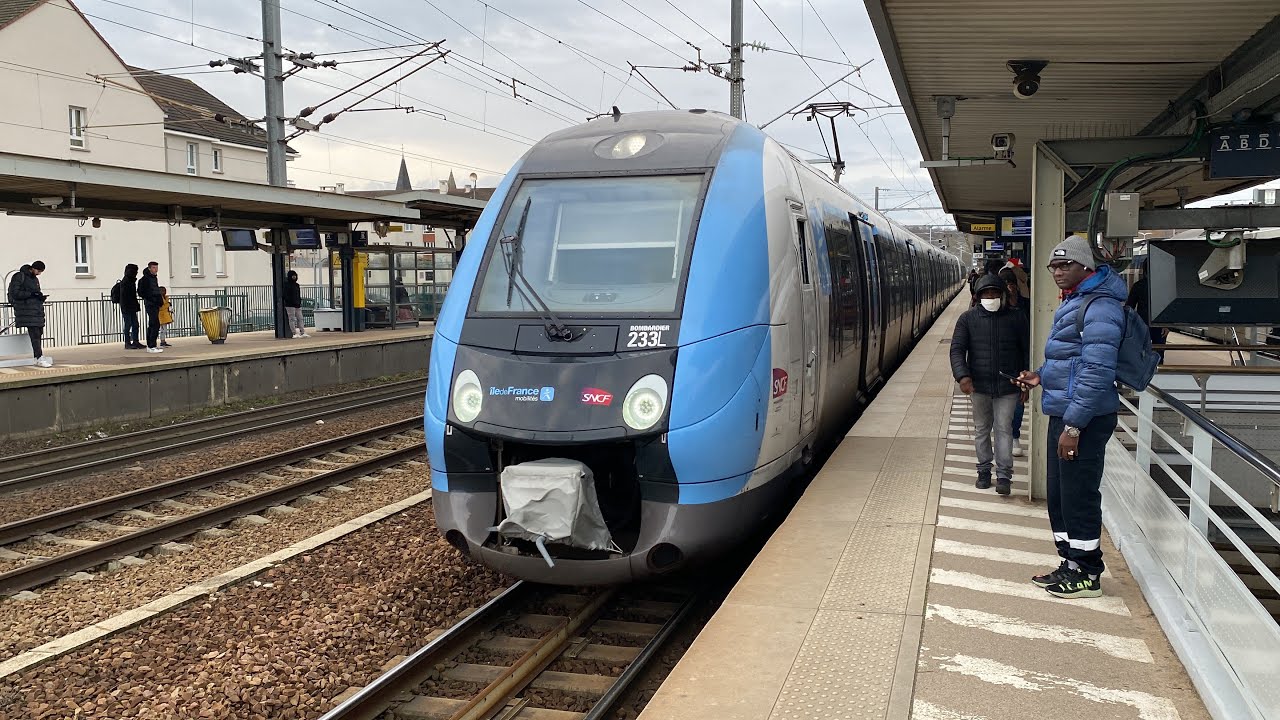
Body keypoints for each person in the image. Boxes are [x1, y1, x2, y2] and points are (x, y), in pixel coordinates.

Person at [1015, 235, 1127, 600]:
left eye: (1066, 265)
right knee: (1061, 494)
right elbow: (1069, 361)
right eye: (1054, 266)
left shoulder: (1101, 307)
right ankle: (1070, 562)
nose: (1058, 272)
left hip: (1084, 419)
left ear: (1086, 267)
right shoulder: (1076, 301)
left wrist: (1074, 426)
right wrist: (1040, 375)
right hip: (1065, 411)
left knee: (1079, 494)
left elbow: (1096, 372)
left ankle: (1088, 573)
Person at [950, 274, 1029, 495]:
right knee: (982, 430)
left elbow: (1027, 350)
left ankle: (1004, 475)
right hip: (979, 386)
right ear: (978, 297)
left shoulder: (1017, 317)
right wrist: (963, 376)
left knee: (1004, 429)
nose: (991, 297)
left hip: (1009, 385)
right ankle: (984, 470)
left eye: (995, 293)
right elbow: (957, 349)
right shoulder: (967, 319)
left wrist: (1024, 383)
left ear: (1003, 295)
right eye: (986, 293)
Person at [1000, 267, 1031, 457]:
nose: (1009, 288)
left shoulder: (1026, 306)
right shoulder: (995, 309)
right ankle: (1004, 435)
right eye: (1005, 285)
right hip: (999, 364)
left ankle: (1014, 436)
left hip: (1019, 363)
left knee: (1018, 403)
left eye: (1011, 284)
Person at [7, 261, 51, 367]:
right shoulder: (19, 276)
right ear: (33, 268)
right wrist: (31, 294)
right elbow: (15, 293)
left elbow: (34, 293)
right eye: (38, 271)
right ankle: (39, 357)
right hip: (26, 310)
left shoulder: (34, 279)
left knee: (38, 333)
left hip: (35, 310)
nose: (39, 273)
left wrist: (39, 296)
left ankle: (38, 357)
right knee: (35, 334)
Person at [1125, 257, 1166, 364]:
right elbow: (1169, 306)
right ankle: (1158, 368)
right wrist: (1167, 325)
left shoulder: (1138, 286)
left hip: (1141, 324)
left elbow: (1129, 307)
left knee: (1141, 352)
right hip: (1159, 324)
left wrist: (1130, 325)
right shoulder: (1163, 287)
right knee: (1159, 353)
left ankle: (1143, 369)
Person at [137, 261, 164, 353]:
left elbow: (156, 290)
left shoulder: (154, 278)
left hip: (155, 304)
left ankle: (151, 345)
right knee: (154, 324)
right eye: (153, 268)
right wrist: (151, 298)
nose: (155, 269)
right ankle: (151, 345)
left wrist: (159, 301)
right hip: (150, 304)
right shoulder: (145, 279)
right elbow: (141, 292)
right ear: (149, 268)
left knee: (154, 324)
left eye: (156, 267)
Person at [117, 264, 143, 349]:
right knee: (129, 324)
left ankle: (134, 341)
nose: (136, 273)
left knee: (134, 324)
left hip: (130, 306)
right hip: (127, 307)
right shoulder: (127, 282)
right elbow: (127, 296)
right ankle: (128, 342)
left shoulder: (129, 281)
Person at [284, 270, 308, 338]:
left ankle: (302, 332)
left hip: (297, 304)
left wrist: (299, 301)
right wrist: (289, 300)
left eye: (295, 275)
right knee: (292, 319)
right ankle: (294, 333)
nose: (294, 277)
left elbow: (298, 294)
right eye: (293, 275)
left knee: (300, 318)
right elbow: (285, 295)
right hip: (290, 305)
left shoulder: (297, 285)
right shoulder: (286, 285)